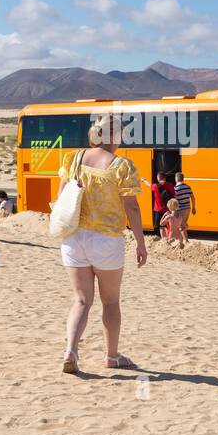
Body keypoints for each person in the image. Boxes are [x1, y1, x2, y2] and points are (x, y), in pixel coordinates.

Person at [58, 116, 147, 374]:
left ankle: (71, 351)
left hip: (74, 238)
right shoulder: (122, 166)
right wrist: (141, 243)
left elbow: (62, 196)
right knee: (110, 302)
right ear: (115, 137)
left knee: (81, 300)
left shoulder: (73, 159)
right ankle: (111, 356)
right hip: (106, 240)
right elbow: (131, 207)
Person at [172, 172, 194, 245]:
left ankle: (185, 241)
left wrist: (173, 209)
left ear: (176, 178)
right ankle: (182, 240)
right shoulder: (188, 187)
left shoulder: (175, 188)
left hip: (181, 209)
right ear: (182, 179)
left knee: (181, 225)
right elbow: (193, 198)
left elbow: (175, 200)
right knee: (183, 223)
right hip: (188, 208)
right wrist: (194, 207)